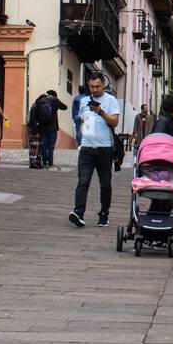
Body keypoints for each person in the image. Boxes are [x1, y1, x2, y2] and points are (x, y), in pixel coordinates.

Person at [69, 71, 120, 228]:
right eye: (92, 86)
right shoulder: (84, 101)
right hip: (86, 148)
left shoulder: (111, 100)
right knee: (83, 182)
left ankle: (104, 214)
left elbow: (115, 122)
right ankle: (78, 213)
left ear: (103, 85)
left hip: (105, 149)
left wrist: (101, 112)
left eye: (97, 86)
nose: (95, 89)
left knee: (105, 184)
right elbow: (82, 120)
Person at [28, 93, 56, 169]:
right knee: (35, 146)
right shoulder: (36, 107)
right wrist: (36, 132)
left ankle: (35, 162)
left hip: (35, 129)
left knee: (36, 147)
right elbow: (34, 120)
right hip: (35, 129)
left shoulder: (36, 105)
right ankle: (34, 163)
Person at [42, 90, 65, 169]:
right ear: (54, 96)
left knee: (44, 145)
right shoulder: (55, 100)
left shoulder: (42, 100)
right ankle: (50, 163)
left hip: (43, 127)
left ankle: (44, 162)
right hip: (52, 127)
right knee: (51, 146)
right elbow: (65, 107)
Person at [71, 83, 90, 148]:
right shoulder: (87, 98)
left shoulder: (76, 98)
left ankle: (79, 145)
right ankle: (85, 145)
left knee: (78, 130)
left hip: (76, 116)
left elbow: (73, 108)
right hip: (85, 116)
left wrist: (73, 117)